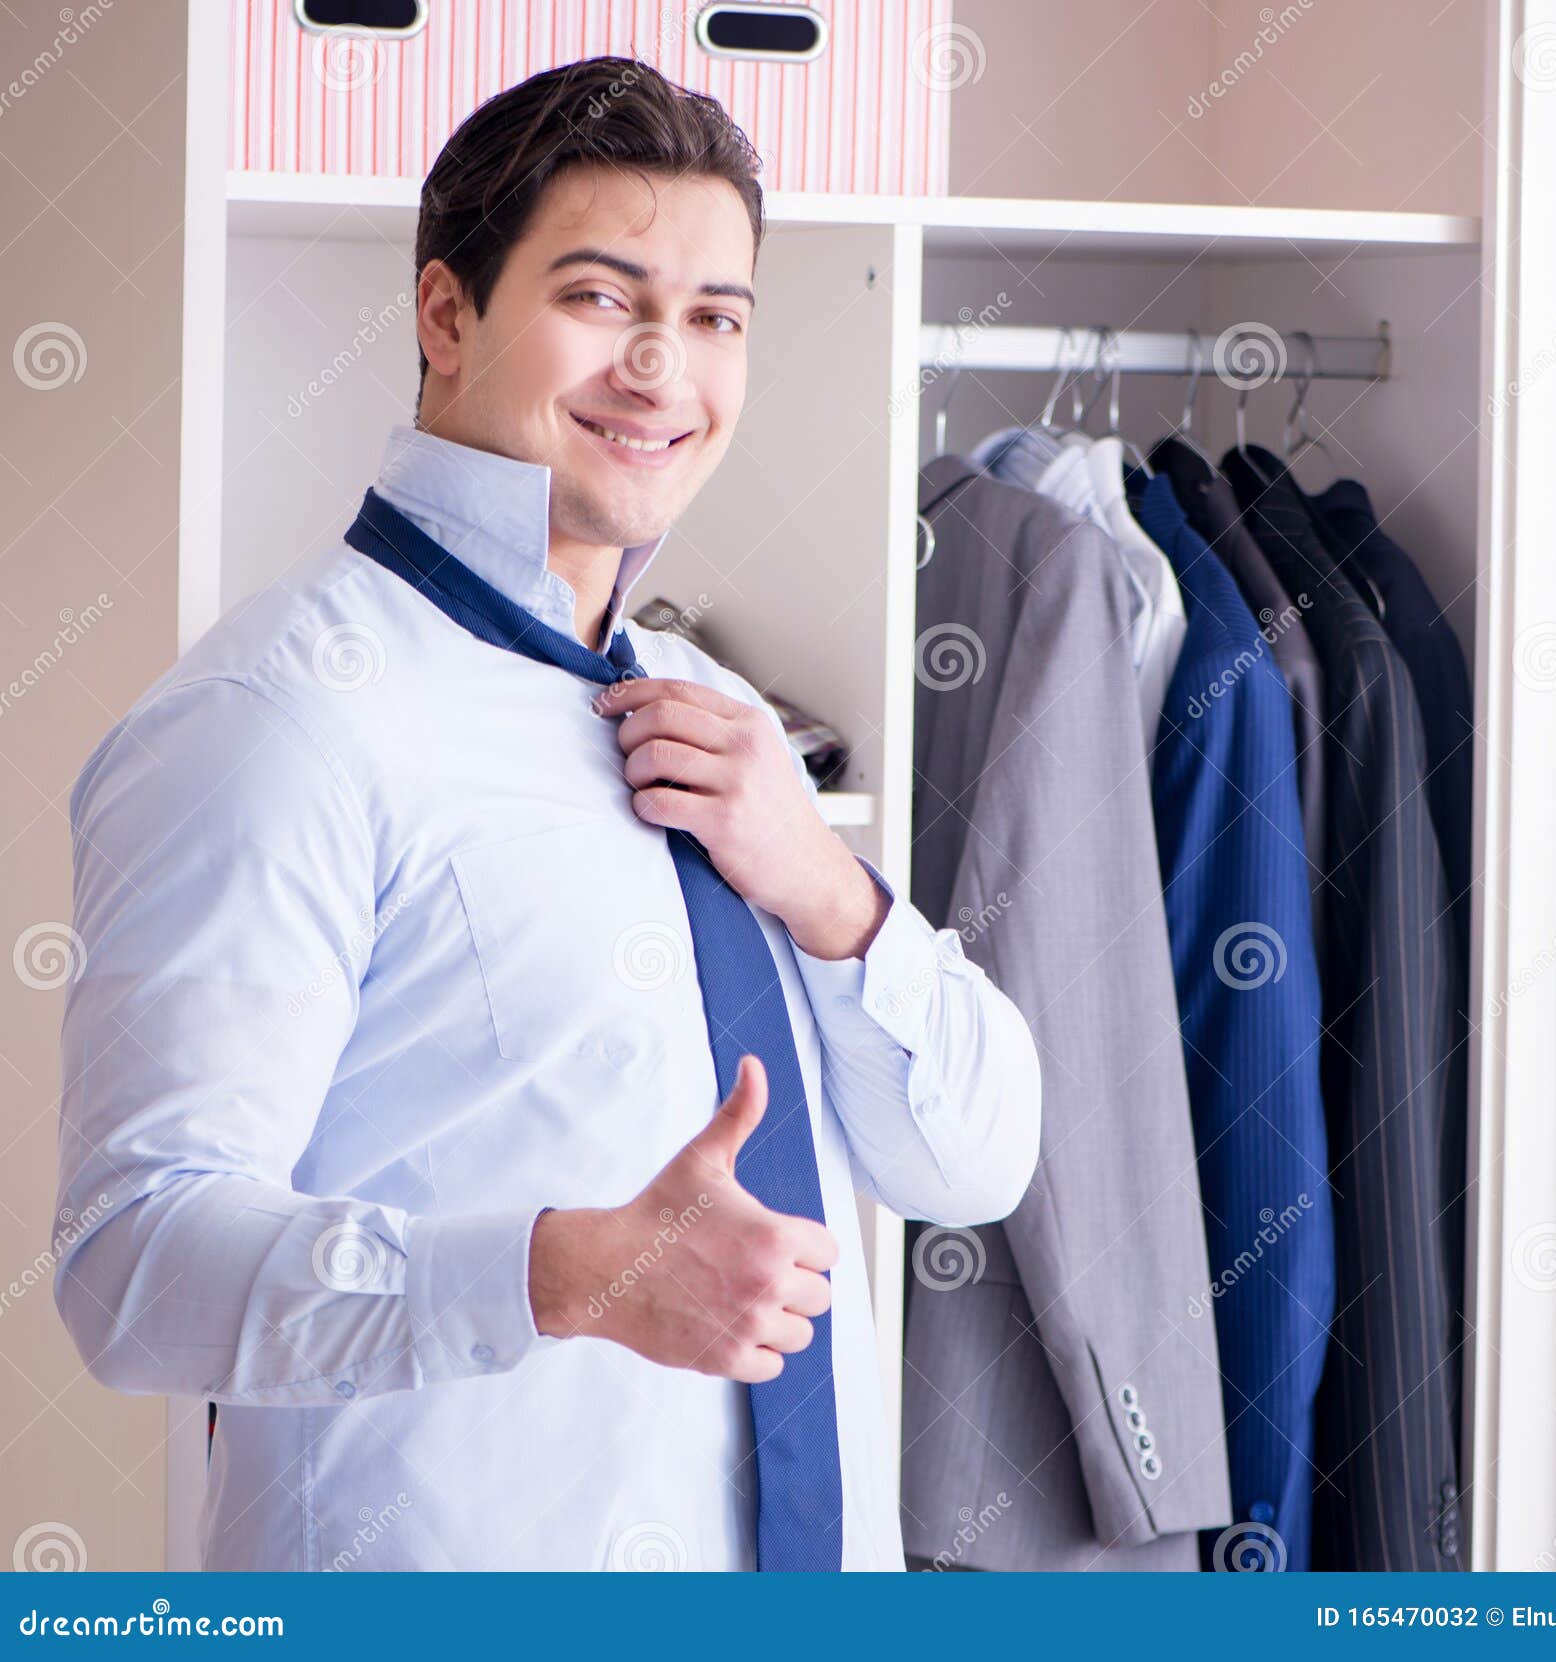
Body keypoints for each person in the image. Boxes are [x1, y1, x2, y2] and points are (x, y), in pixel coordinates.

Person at [53, 55, 1041, 1572]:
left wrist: (828, 894)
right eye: (602, 297)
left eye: (715, 317)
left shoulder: (729, 731)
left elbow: (975, 1164)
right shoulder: (283, 718)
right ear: (448, 316)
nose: (665, 366)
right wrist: (559, 1276)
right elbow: (133, 1266)